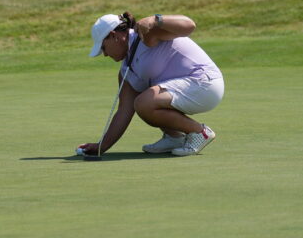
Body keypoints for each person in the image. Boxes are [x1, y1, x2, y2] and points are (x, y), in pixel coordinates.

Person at [77, 12, 224, 157]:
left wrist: (156, 19)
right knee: (143, 101)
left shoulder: (146, 36)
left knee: (144, 102)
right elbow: (124, 111)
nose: (105, 54)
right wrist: (101, 146)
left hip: (205, 83)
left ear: (113, 35)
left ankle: (200, 132)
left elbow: (189, 25)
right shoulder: (127, 70)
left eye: (103, 47)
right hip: (192, 89)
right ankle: (174, 138)